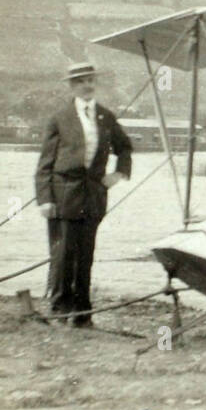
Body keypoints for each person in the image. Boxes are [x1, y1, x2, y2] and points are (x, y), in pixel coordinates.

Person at [34, 62, 133, 327]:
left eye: (90, 80)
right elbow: (45, 164)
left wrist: (118, 174)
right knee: (63, 254)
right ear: (72, 86)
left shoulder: (106, 117)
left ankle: (82, 315)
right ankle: (59, 310)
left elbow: (125, 148)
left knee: (86, 254)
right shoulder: (59, 118)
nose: (87, 85)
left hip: (94, 196)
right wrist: (45, 199)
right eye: (80, 81)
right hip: (63, 194)